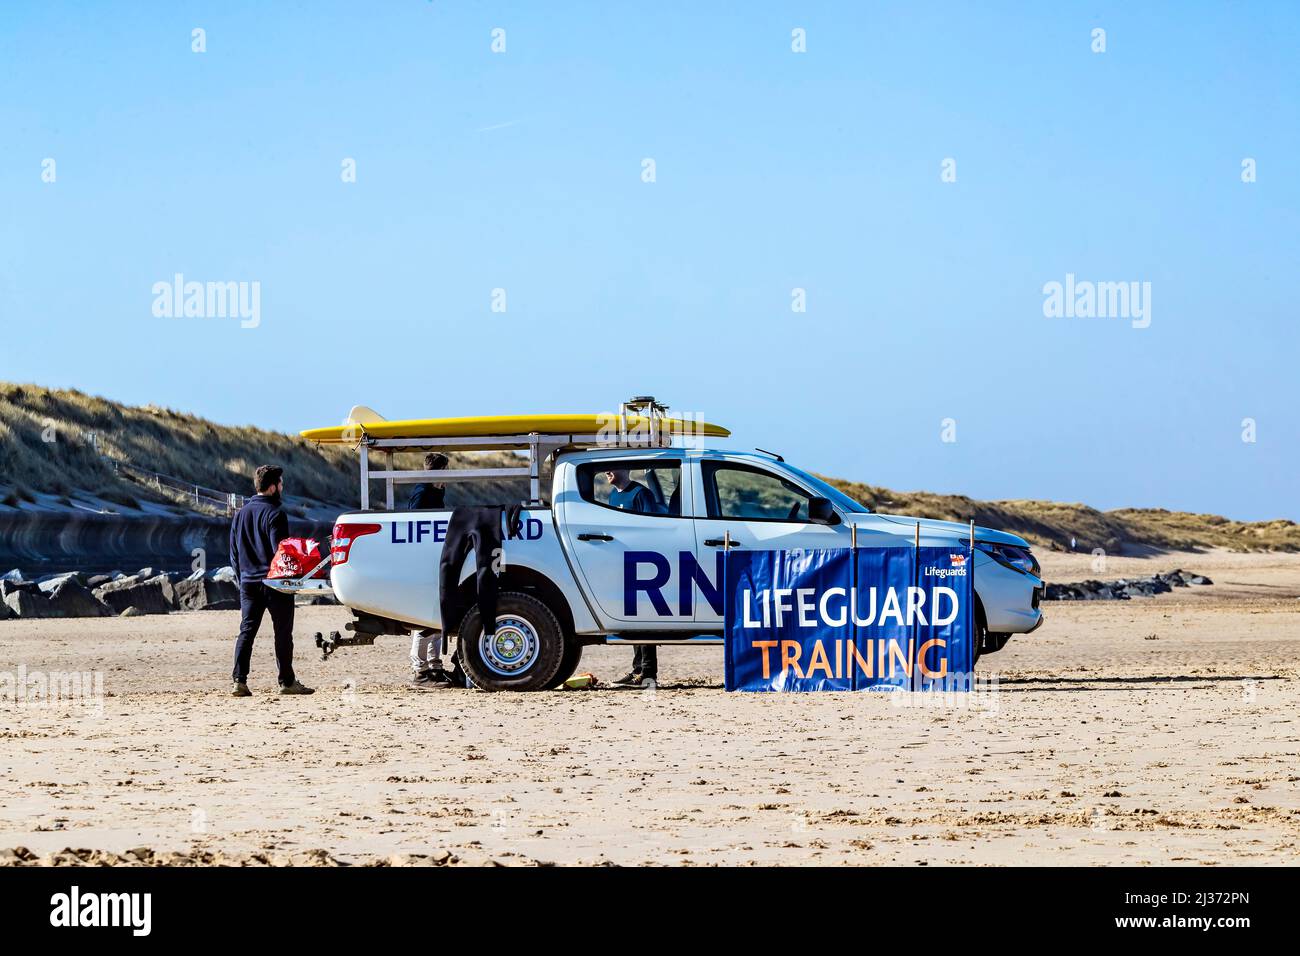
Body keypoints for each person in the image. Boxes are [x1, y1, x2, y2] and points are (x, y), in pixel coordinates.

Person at [229, 465, 313, 696]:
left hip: (248, 582)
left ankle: (239, 681)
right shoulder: (276, 513)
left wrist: (241, 577)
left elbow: (233, 552)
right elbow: (281, 552)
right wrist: (294, 579)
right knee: (283, 633)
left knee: (246, 630)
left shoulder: (240, 514)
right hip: (274, 583)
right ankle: (287, 682)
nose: (282, 488)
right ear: (274, 486)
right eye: (281, 484)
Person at [605, 468, 665, 688]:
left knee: (644, 617)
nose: (606, 472)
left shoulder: (640, 494)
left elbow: (652, 527)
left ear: (624, 469)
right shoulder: (613, 496)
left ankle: (648, 672)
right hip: (624, 564)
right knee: (633, 620)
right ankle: (637, 669)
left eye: (611, 468)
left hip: (644, 563)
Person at [408, 453, 454, 689]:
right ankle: (419, 670)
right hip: (424, 561)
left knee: (437, 613)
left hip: (435, 559)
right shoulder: (422, 492)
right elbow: (416, 525)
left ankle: (434, 666)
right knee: (424, 616)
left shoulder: (435, 492)